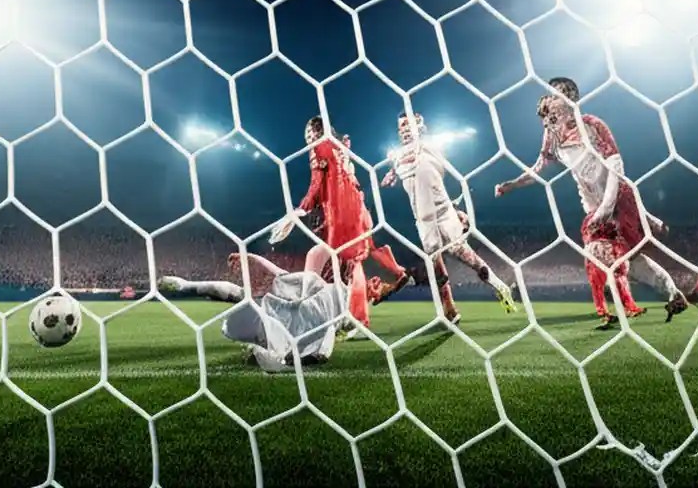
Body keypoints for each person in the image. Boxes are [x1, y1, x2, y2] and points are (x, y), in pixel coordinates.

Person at [495, 78, 694, 328]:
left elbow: (616, 165)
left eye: (556, 95)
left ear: (571, 99)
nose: (551, 101)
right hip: (592, 204)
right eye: (550, 95)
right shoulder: (552, 136)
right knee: (624, 259)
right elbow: (539, 168)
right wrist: (511, 185)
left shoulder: (591, 125)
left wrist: (608, 206)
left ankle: (618, 307)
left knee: (606, 254)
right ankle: (670, 294)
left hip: (618, 199)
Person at [269, 117, 412, 330]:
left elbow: (316, 185)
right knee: (359, 254)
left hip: (343, 210)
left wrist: (301, 209)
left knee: (350, 262)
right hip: (358, 206)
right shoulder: (341, 146)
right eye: (307, 136)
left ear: (320, 132)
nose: (309, 139)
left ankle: (358, 317)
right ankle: (391, 276)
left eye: (310, 134)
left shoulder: (319, 148)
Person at [382, 112, 517, 324]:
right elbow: (401, 164)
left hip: (444, 211)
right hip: (423, 218)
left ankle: (499, 286)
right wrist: (391, 174)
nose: (405, 129)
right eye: (401, 126)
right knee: (434, 260)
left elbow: (439, 170)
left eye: (409, 123)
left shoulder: (431, 145)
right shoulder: (397, 156)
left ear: (420, 125)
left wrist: (457, 208)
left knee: (463, 254)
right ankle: (449, 309)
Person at [158, 250, 372, 371]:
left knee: (241, 295)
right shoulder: (337, 301)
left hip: (279, 316)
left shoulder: (317, 286)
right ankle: (272, 352)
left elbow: (278, 273)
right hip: (294, 332)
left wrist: (251, 257)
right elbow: (336, 335)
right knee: (245, 301)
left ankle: (186, 285)